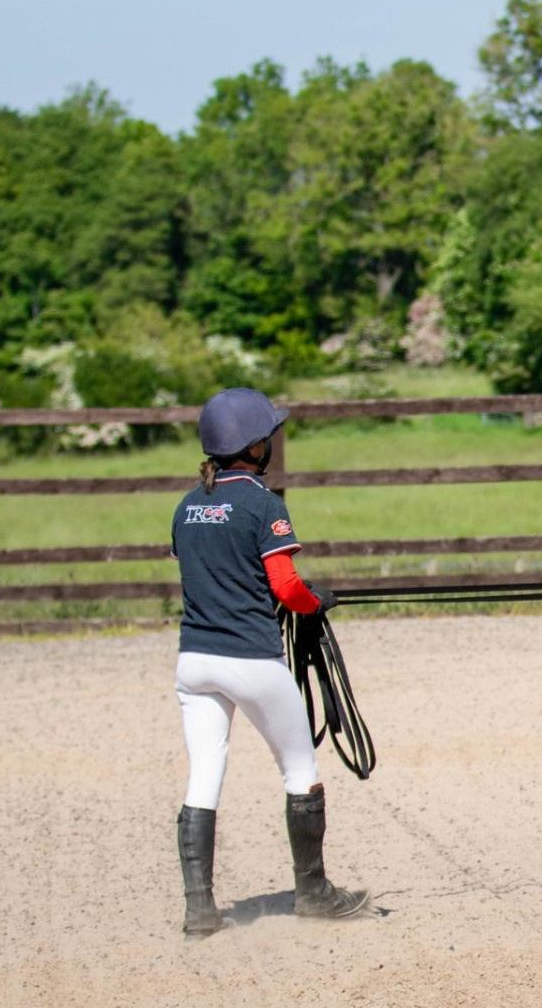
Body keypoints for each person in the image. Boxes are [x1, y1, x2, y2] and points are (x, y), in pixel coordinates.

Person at [169, 387, 368, 937]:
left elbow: (202, 572)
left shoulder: (187, 505)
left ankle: (199, 907)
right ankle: (314, 893)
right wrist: (314, 600)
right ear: (255, 446)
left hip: (194, 661)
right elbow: (284, 586)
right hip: (251, 659)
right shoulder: (262, 503)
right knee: (300, 770)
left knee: (203, 776)